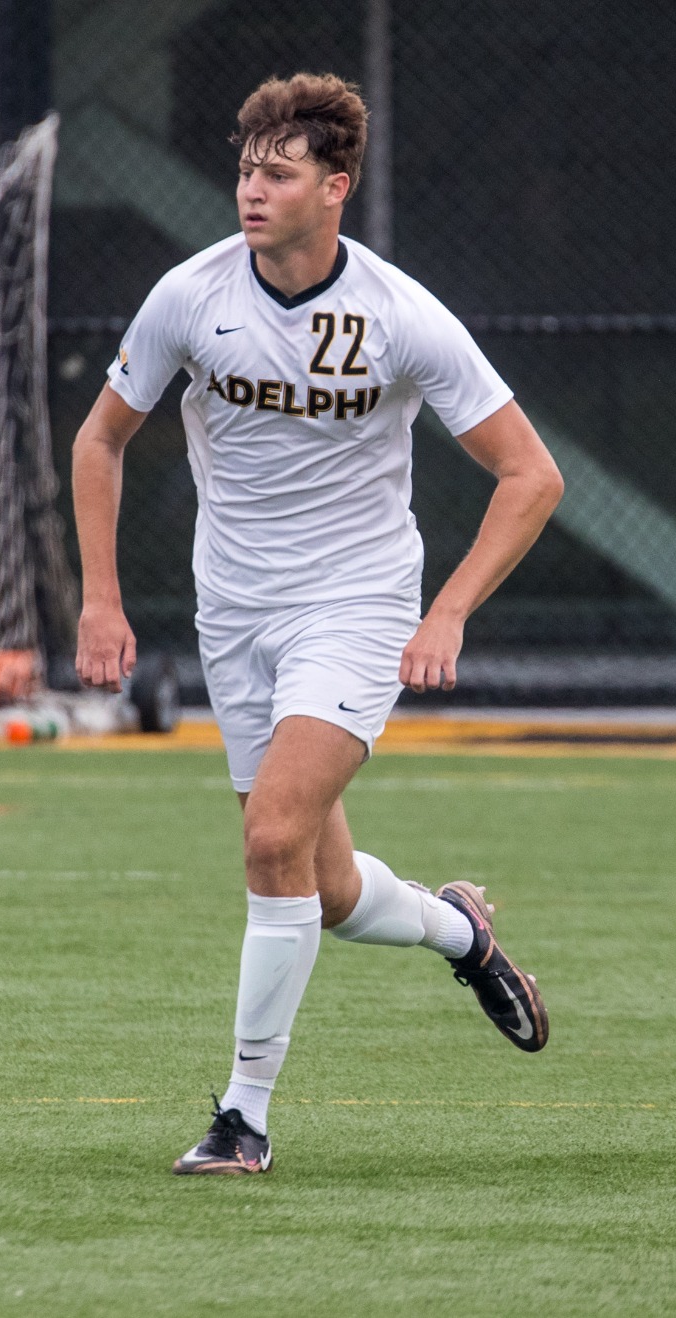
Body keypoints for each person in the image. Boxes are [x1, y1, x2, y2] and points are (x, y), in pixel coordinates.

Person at [71, 71, 565, 1175]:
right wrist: (99, 597)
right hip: (232, 610)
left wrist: (445, 612)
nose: (251, 189)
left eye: (278, 173)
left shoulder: (396, 315)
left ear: (333, 187)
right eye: (245, 168)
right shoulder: (188, 297)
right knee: (324, 889)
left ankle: (242, 1117)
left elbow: (529, 475)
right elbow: (97, 439)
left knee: (268, 839)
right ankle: (460, 931)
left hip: (354, 603)